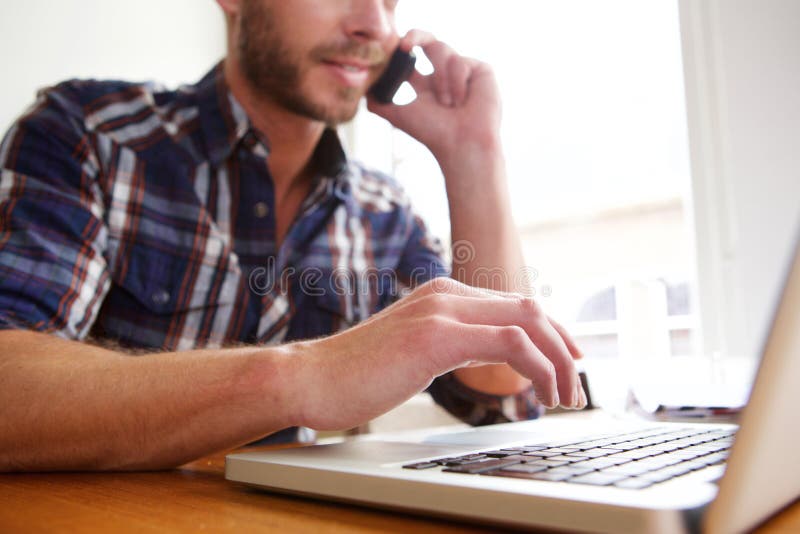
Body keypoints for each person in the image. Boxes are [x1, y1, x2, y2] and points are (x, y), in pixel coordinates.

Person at [0, 0, 586, 472]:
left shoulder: (383, 211)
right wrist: (305, 373)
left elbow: (499, 393)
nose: (373, 24)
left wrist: (472, 157)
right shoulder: (88, 135)